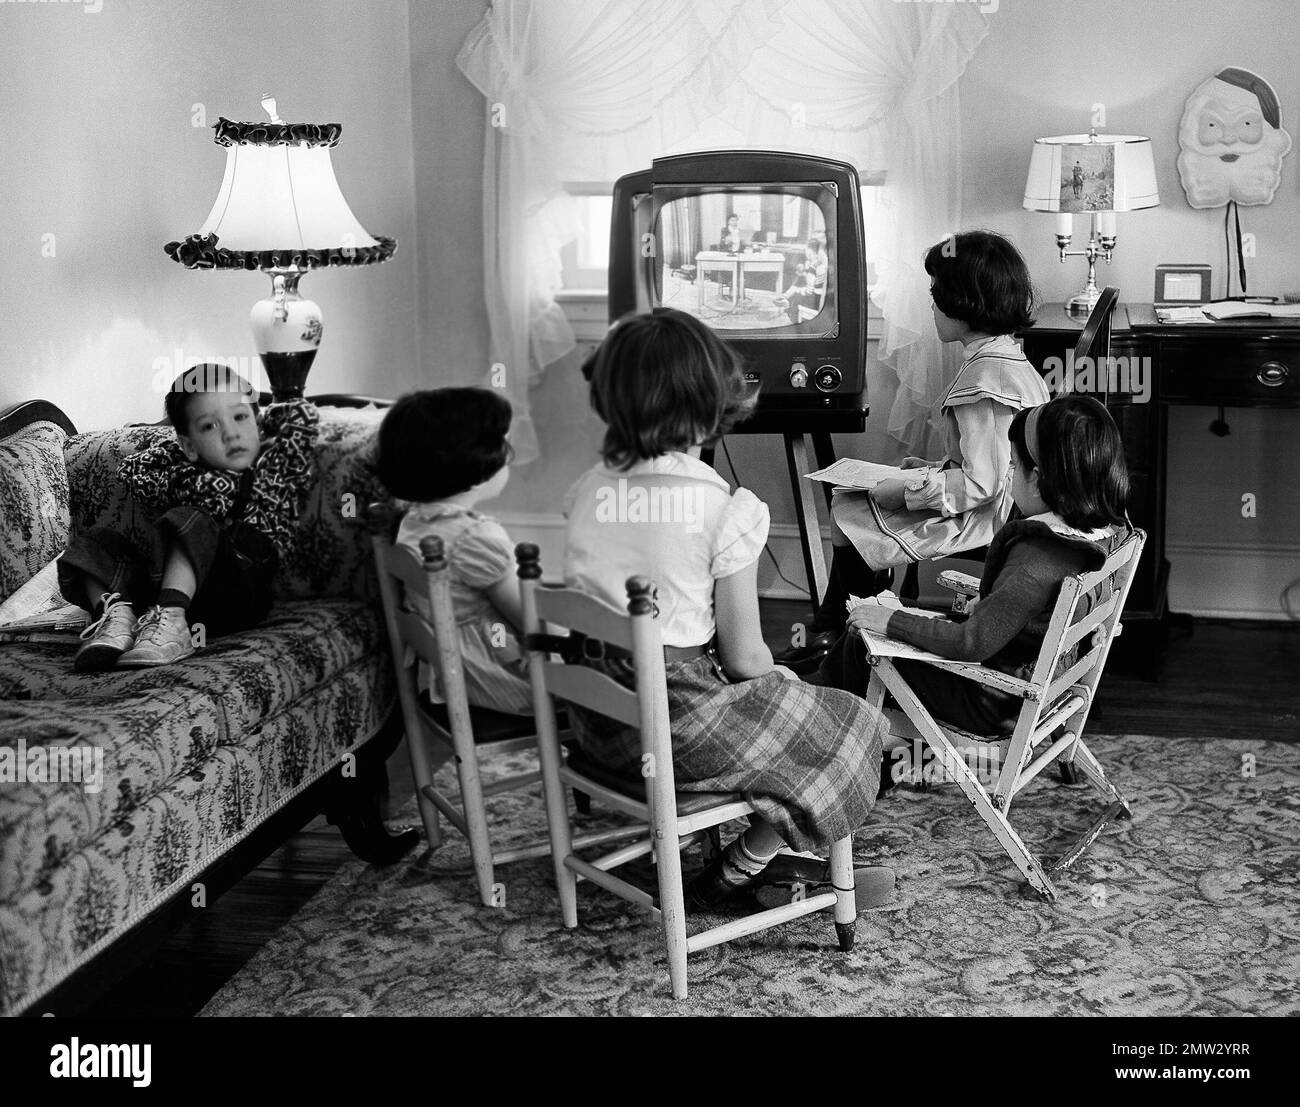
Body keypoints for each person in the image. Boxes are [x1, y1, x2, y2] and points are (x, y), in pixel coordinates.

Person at [564, 307, 893, 909]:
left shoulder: (586, 490)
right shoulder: (723, 508)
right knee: (856, 723)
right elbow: (744, 660)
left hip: (595, 726)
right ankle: (742, 866)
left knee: (795, 708)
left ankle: (744, 845)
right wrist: (783, 679)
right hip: (675, 726)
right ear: (707, 401)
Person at [776, 229, 1050, 673]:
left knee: (853, 508)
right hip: (1005, 504)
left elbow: (981, 484)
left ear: (962, 302)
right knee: (852, 501)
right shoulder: (1004, 360)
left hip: (991, 517)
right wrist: (924, 471)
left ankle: (848, 632)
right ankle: (841, 624)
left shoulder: (984, 383)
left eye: (936, 293)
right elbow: (989, 461)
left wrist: (906, 492)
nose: (933, 305)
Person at [826, 394, 1131, 747]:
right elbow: (1021, 614)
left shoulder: (1035, 560)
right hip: (1043, 686)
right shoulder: (1100, 536)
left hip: (993, 701)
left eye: (1014, 465)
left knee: (859, 642)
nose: (1009, 475)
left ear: (1039, 479)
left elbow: (970, 642)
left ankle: (845, 749)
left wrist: (890, 622)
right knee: (889, 624)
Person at [62, 363, 319, 670]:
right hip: (162, 596)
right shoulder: (183, 475)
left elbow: (304, 417)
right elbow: (131, 470)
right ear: (188, 444)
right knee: (93, 542)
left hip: (237, 591)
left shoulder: (271, 471)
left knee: (191, 519)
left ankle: (174, 621)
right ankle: (119, 619)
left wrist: (262, 418)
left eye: (240, 417)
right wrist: (184, 449)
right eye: (210, 426)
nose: (231, 433)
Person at [375, 388, 533, 717]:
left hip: (450, 674)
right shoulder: (474, 538)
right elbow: (530, 617)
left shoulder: (413, 522)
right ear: (474, 461)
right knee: (607, 674)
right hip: (501, 680)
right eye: (501, 443)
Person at [777, 235, 828, 323]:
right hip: (821, 299)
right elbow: (816, 283)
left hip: (815, 302)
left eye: (806, 249)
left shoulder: (814, 266)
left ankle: (794, 322)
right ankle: (785, 298)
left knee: (795, 298)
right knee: (798, 284)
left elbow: (810, 291)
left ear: (809, 251)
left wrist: (798, 290)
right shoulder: (823, 263)